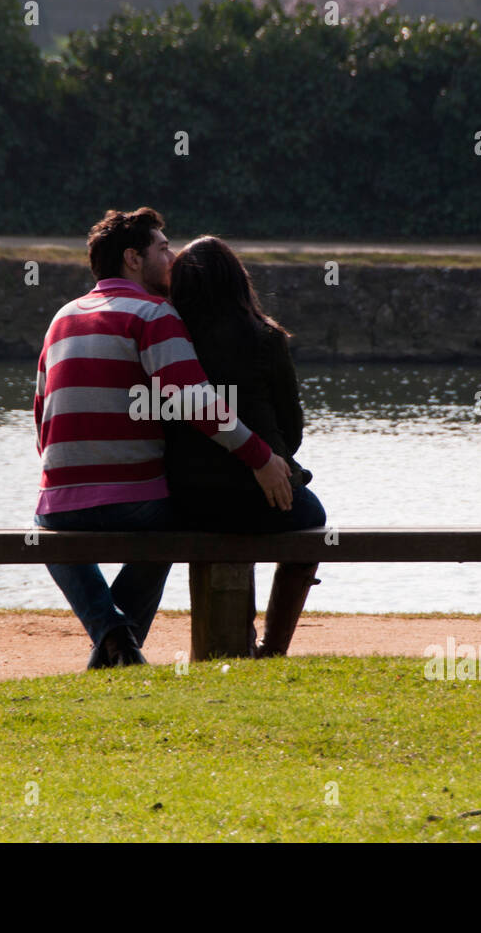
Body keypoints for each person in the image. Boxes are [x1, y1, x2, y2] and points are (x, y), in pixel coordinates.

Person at [33, 208, 294, 669]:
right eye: (163, 248)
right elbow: (194, 400)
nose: (173, 257)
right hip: (137, 502)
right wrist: (259, 456)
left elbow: (41, 412)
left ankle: (113, 640)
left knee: (46, 532)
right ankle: (117, 637)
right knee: (174, 525)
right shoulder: (155, 314)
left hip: (60, 500)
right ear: (133, 259)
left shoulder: (62, 317)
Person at [163, 236, 326, 657]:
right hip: (260, 497)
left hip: (186, 499)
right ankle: (273, 647)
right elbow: (291, 434)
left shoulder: (170, 340)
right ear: (239, 281)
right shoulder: (265, 337)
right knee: (312, 521)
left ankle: (237, 637)